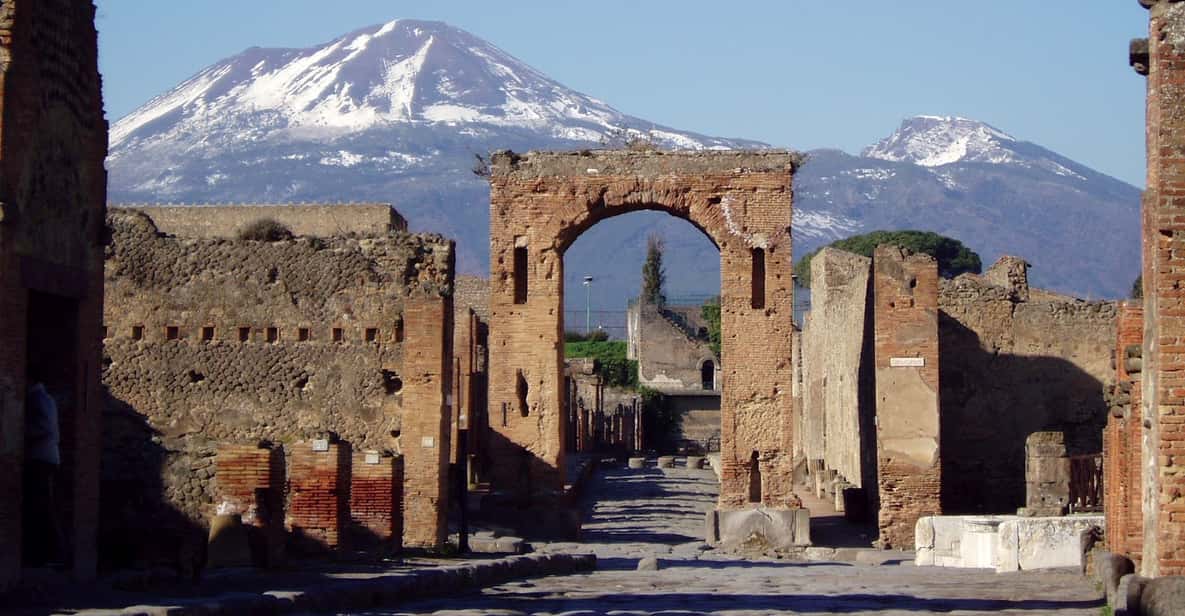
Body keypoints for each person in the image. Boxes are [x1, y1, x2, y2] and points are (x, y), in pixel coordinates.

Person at [23, 371, 63, 567]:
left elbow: (45, 428)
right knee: (41, 506)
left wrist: (22, 432)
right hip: (46, 457)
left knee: (41, 507)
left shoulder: (38, 398)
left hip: (41, 457)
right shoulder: (45, 398)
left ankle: (52, 555)